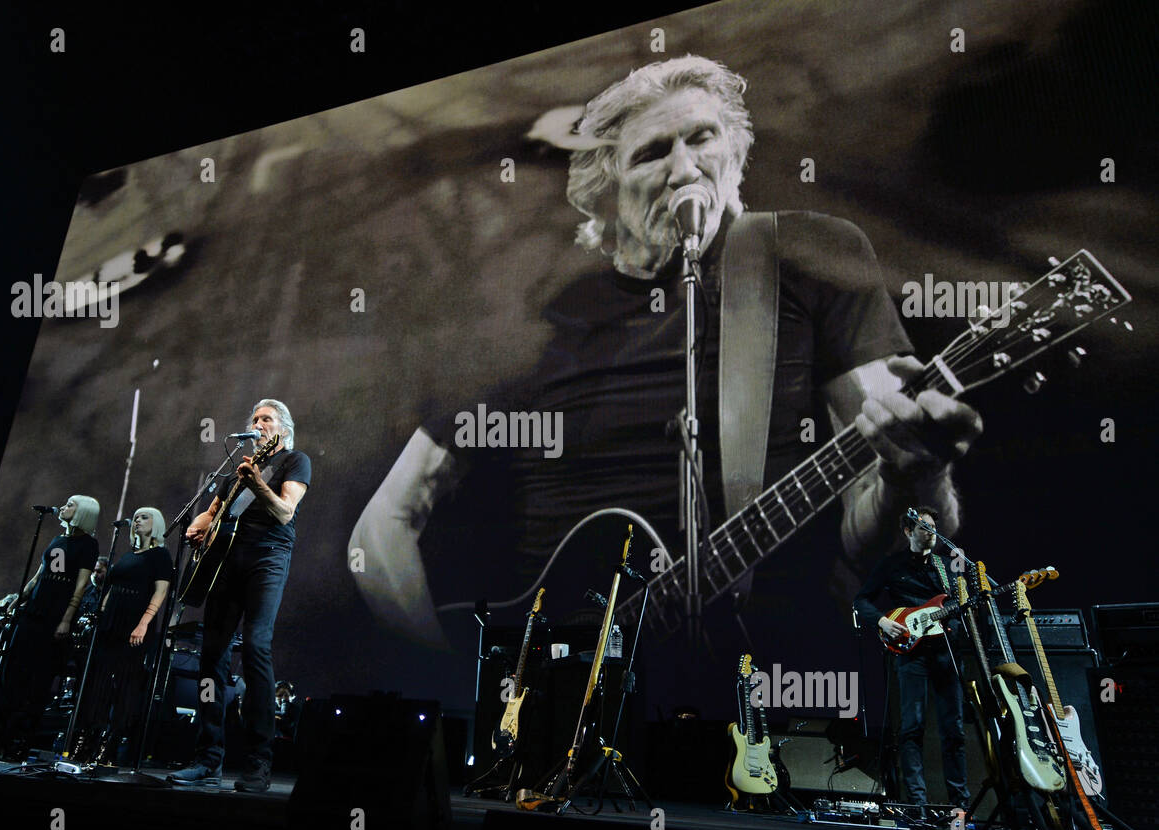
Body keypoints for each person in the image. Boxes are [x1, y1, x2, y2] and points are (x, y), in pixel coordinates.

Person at [350, 55, 983, 717]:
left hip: (759, 700)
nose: (685, 169)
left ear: (735, 153)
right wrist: (456, 687)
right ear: (603, 192)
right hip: (550, 711)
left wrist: (917, 476)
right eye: (653, 152)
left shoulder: (810, 256)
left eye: (702, 137)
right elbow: (380, 529)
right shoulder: (536, 322)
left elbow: (883, 534)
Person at [168, 400, 311, 791]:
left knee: (255, 648)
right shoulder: (237, 471)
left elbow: (284, 512)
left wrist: (257, 483)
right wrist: (201, 523)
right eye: (254, 419)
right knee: (211, 656)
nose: (257, 424)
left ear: (283, 428)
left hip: (268, 557)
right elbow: (212, 511)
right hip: (226, 563)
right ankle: (207, 757)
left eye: (266, 419)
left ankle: (258, 760)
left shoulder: (295, 461)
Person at [853, 505, 969, 807]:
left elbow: (957, 607)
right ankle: (917, 804)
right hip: (910, 653)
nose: (929, 534)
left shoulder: (946, 566)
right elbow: (861, 600)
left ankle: (961, 804)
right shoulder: (893, 565)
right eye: (922, 528)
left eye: (932, 528)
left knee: (953, 729)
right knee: (912, 727)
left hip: (945, 652)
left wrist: (954, 621)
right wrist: (881, 621)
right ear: (908, 532)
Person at [0, 495, 101, 758]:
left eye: (70, 504)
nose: (63, 507)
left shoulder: (88, 545)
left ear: (83, 512)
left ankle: (20, 741)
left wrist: (66, 619)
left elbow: (81, 585)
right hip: (33, 612)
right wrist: (19, 597)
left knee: (37, 681)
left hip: (55, 616)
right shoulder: (56, 541)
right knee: (12, 674)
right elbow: (40, 575)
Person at [72, 508, 173, 764]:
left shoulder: (160, 556)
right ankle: (87, 739)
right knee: (98, 684)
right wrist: (102, 613)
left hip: (135, 623)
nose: (138, 520)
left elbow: (160, 593)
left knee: (125, 685)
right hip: (111, 624)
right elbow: (111, 588)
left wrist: (143, 624)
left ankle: (111, 743)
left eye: (144, 517)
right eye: (136, 517)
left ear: (157, 524)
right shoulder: (127, 555)